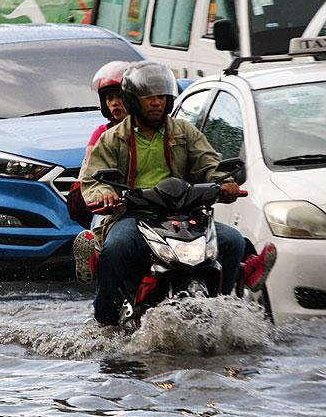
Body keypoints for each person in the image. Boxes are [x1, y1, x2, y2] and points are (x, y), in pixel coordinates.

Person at [79, 60, 277, 326]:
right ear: (134, 100)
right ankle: (104, 315)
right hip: (135, 217)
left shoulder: (185, 132)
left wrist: (224, 183)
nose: (157, 103)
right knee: (116, 248)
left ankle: (224, 306)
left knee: (233, 242)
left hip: (184, 216)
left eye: (161, 97)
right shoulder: (112, 138)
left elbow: (210, 164)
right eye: (150, 98)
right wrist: (104, 193)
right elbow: (92, 180)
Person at [69, 61, 131, 275]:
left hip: (147, 201)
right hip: (108, 202)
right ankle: (96, 261)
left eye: (119, 97)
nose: (114, 103)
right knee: (104, 237)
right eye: (109, 98)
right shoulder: (102, 134)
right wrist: (107, 193)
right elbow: (93, 173)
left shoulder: (156, 130)